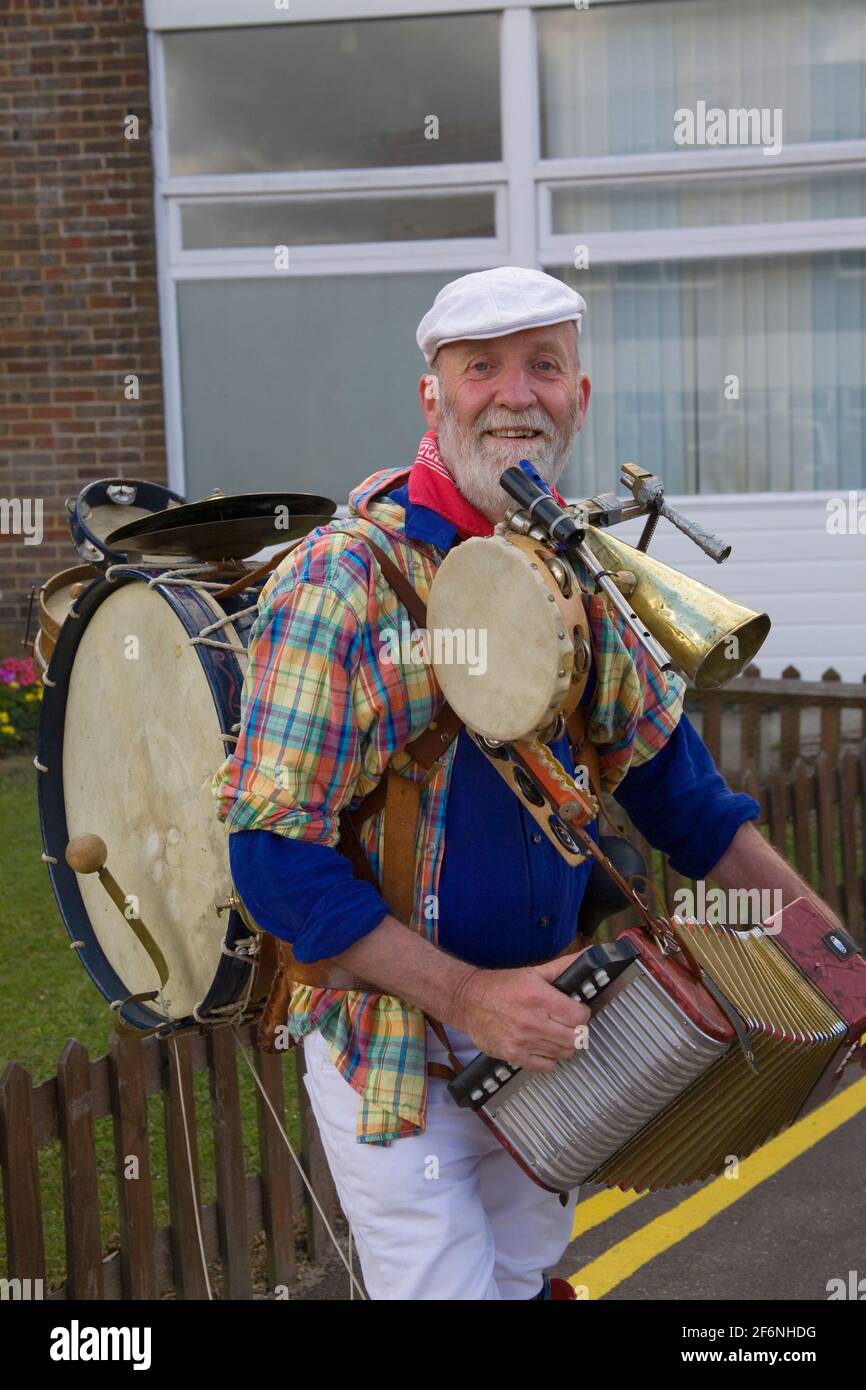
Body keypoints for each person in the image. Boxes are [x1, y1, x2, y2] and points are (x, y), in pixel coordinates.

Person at [212, 266, 837, 1301]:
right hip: (392, 1043)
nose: (514, 393)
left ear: (578, 399)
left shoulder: (578, 575)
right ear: (432, 395)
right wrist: (469, 999)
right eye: (480, 367)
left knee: (527, 1275)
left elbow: (687, 808)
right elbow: (273, 859)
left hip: (552, 1031)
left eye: (542, 366)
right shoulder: (339, 584)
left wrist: (834, 965)